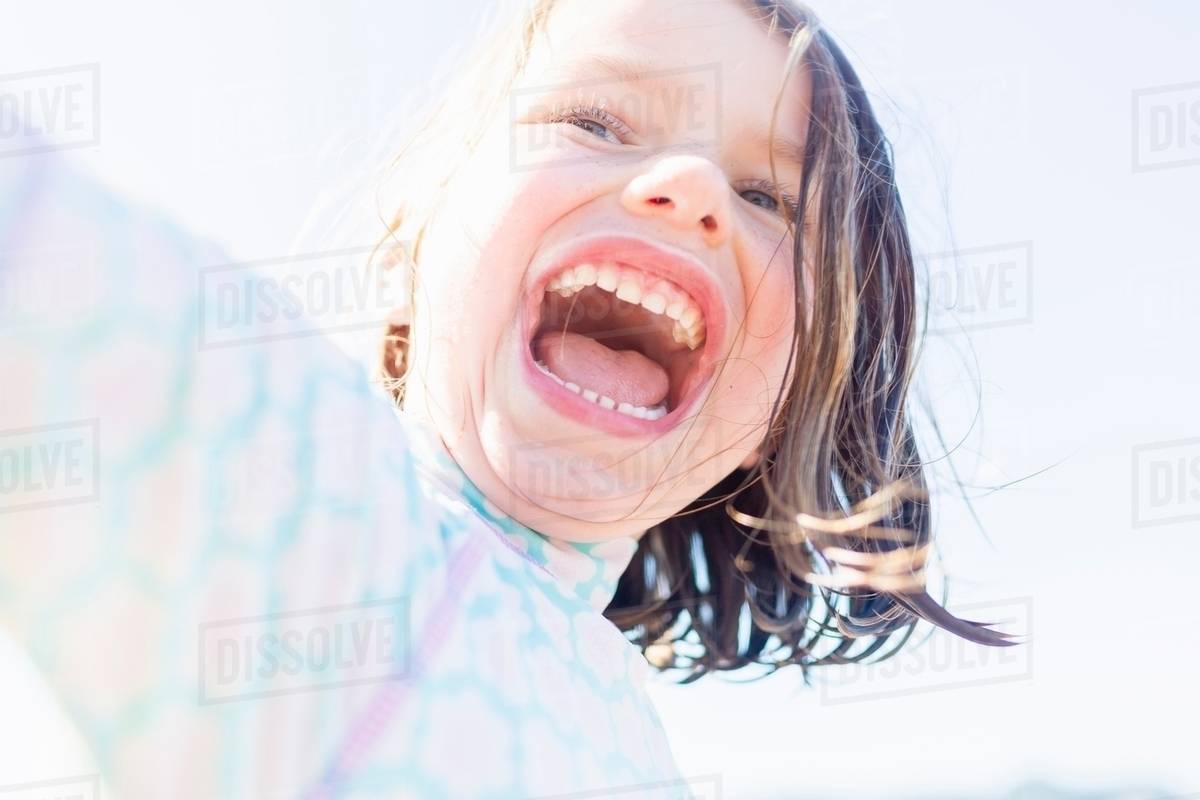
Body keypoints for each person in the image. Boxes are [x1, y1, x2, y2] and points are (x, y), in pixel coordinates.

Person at [0, 1, 1013, 797]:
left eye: (767, 198)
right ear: (410, 247)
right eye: (595, 120)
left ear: (783, 406)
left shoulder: (640, 743)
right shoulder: (306, 499)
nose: (692, 185)